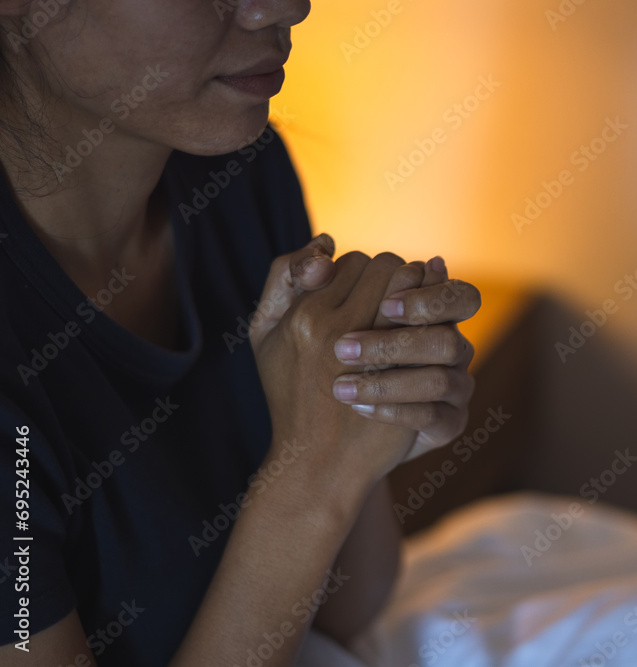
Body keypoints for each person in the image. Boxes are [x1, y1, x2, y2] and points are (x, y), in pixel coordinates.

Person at [0, 0, 480, 664]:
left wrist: (364, 424)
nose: (287, 8)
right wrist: (312, 474)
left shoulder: (237, 173)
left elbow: (352, 605)